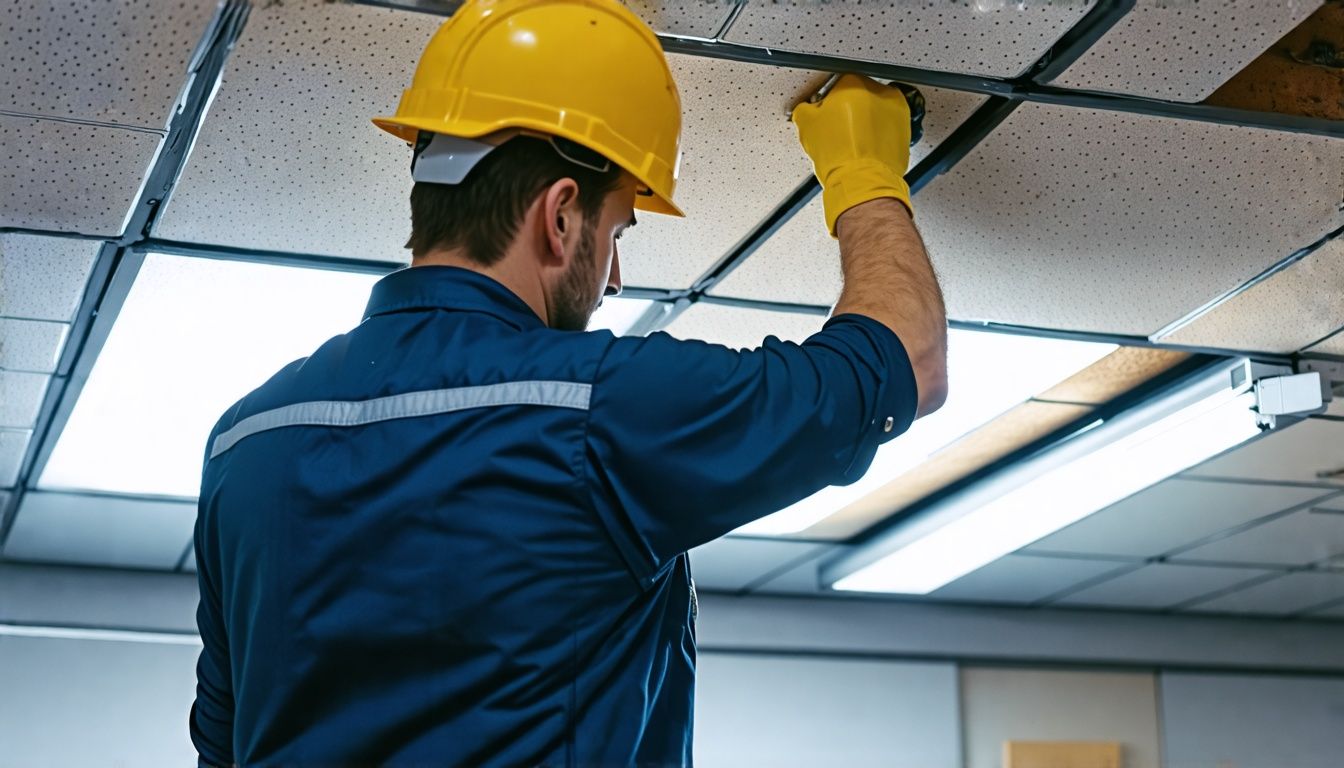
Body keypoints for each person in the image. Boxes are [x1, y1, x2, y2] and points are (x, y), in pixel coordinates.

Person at [190, 0, 947, 765]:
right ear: (559, 215)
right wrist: (863, 172)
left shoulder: (244, 440)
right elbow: (902, 362)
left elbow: (222, 744)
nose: (614, 278)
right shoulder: (592, 406)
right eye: (617, 229)